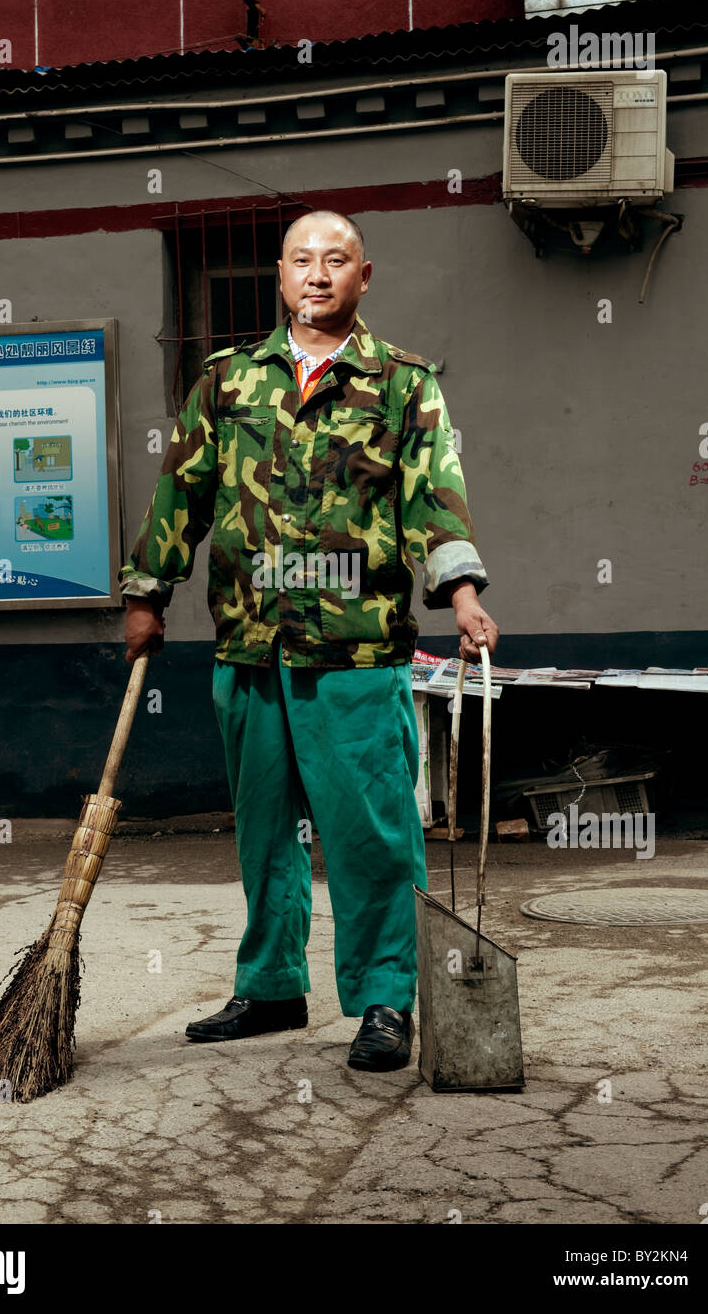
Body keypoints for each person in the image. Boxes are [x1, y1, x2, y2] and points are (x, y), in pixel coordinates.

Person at [121, 210, 498, 1073]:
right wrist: (148, 595)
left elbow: (432, 499)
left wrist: (464, 593)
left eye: (337, 261)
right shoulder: (227, 381)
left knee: (369, 835)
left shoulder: (405, 385)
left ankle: (381, 1000)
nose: (317, 274)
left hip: (354, 653)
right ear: (280, 279)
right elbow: (182, 491)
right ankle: (271, 986)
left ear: (366, 277)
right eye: (301, 261)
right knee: (264, 830)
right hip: (251, 648)